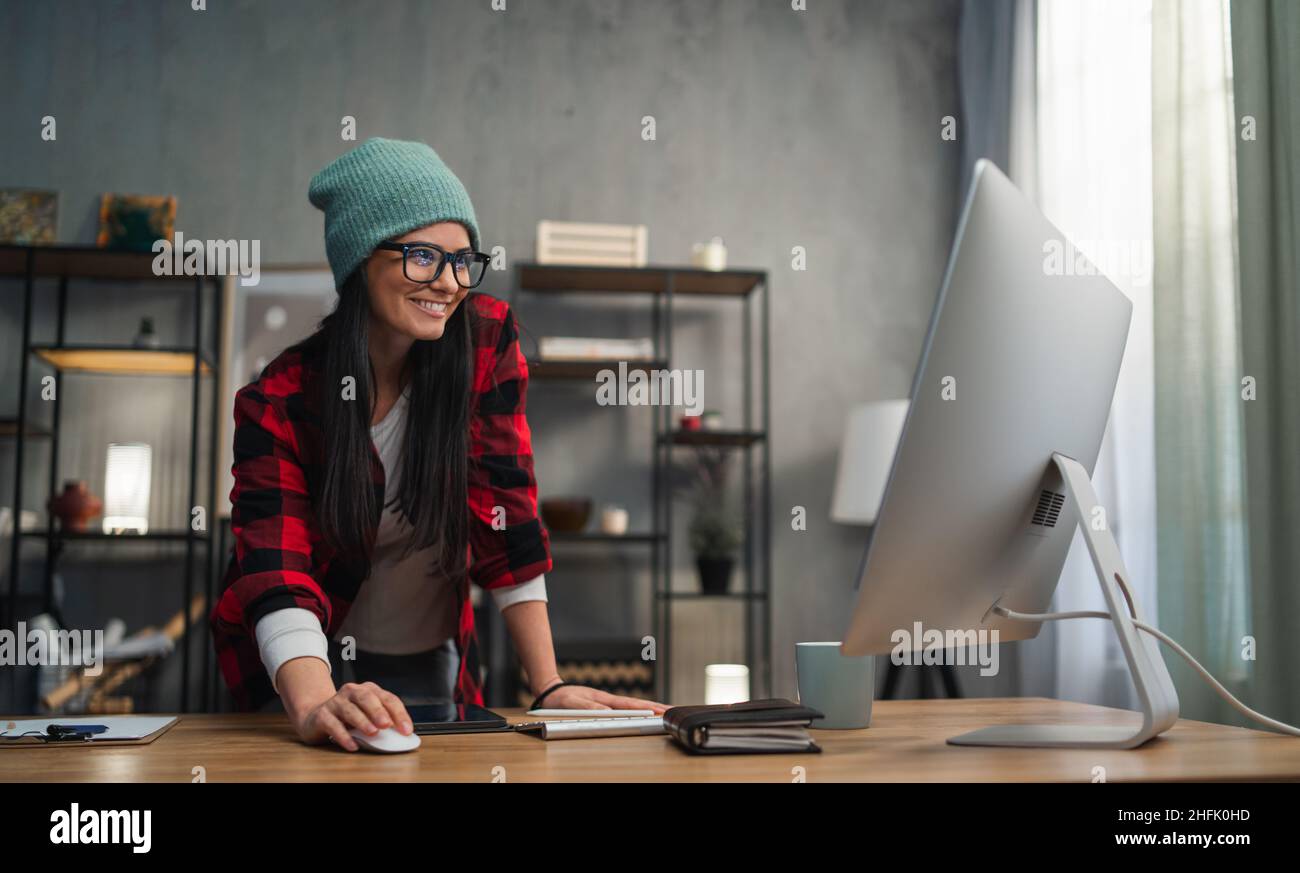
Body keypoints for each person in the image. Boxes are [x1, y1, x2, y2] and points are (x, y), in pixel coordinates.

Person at [211, 138, 665, 750]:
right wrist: (315, 700)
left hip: (423, 642)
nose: (449, 283)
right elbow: (276, 563)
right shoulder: (280, 400)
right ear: (359, 262)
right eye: (423, 256)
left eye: (462, 260)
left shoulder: (483, 345)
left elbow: (506, 514)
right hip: (296, 654)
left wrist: (548, 684)